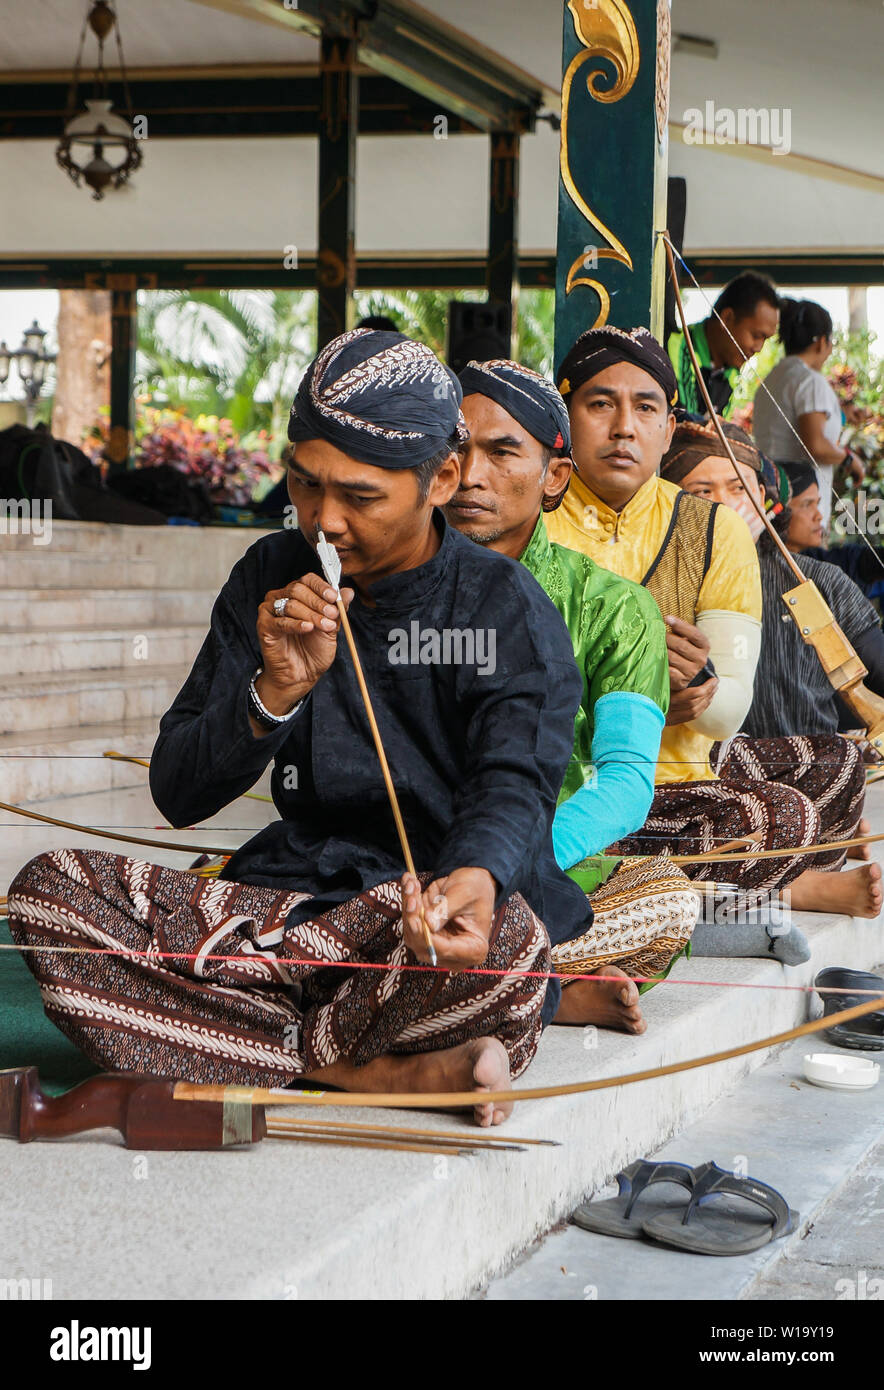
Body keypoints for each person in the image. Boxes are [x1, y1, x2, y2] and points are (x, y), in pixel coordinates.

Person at [6, 329, 596, 1128]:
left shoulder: (502, 607)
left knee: (513, 954)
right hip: (291, 905)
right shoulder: (270, 573)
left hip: (421, 919)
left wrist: (474, 882)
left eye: (360, 496)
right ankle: (369, 1071)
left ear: (441, 479)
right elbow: (178, 792)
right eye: (305, 485)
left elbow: (513, 783)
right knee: (50, 893)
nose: (324, 520)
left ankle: (236, 1040)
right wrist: (271, 692)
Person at [546, 326, 872, 921]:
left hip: (687, 771)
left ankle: (717, 887)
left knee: (837, 765)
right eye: (600, 404)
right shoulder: (531, 517)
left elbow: (726, 716)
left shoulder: (712, 530)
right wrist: (632, 696)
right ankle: (770, 894)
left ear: (666, 428)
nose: (624, 426)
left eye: (645, 408)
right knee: (771, 819)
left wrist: (701, 684)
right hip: (573, 779)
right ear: (563, 417)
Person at [445, 358, 699, 1035]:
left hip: (533, 860)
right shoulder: (390, 587)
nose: (469, 476)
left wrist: (490, 869)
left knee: (665, 904)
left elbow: (623, 783)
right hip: (398, 863)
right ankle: (536, 989)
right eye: (454, 449)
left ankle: (478, 978)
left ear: (555, 476)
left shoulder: (613, 609)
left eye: (502, 453)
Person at [662, 419, 881, 917]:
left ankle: (816, 850)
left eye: (740, 488)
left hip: (773, 771)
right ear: (667, 500)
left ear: (765, 497)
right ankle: (795, 886)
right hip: (686, 775)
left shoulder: (815, 580)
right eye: (703, 490)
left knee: (839, 764)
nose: (727, 503)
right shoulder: (661, 578)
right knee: (769, 813)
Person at [753, 298, 864, 530]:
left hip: (771, 503)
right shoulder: (810, 381)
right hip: (802, 513)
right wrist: (849, 460)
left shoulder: (771, 380)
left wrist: (841, 415)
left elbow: (792, 422)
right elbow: (816, 445)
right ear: (822, 341)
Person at [666, 271, 779, 420]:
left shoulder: (731, 373)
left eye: (765, 339)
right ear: (726, 318)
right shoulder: (678, 346)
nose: (758, 348)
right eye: (756, 336)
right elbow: (685, 428)